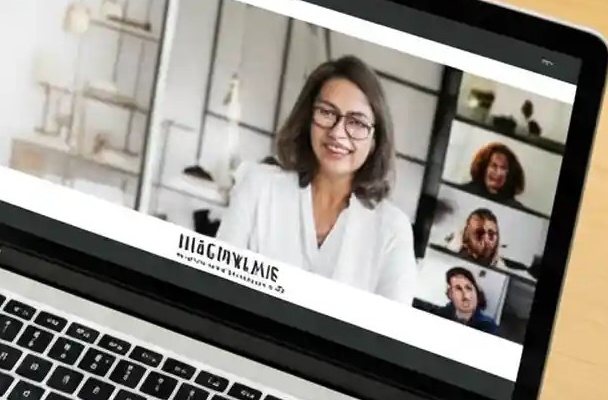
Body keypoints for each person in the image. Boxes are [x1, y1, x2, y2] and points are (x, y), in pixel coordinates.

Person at [215, 55, 416, 304]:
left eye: (356, 122)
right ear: (308, 117)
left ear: (376, 139)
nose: (337, 133)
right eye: (326, 112)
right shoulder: (258, 186)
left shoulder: (393, 229)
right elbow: (216, 287)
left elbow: (389, 335)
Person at [459, 142, 526, 205]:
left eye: (503, 168)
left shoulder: (515, 207)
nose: (499, 173)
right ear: (483, 167)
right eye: (494, 166)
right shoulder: (463, 192)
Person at [439, 267, 498, 333]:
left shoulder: (487, 325)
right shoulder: (439, 314)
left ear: (476, 291)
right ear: (450, 294)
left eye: (469, 288)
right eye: (458, 289)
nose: (466, 295)